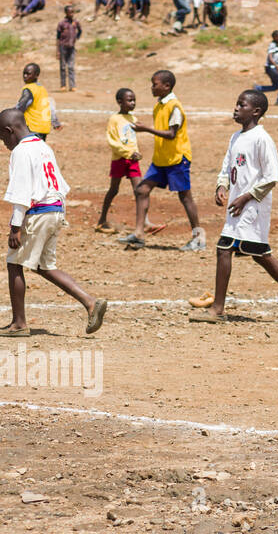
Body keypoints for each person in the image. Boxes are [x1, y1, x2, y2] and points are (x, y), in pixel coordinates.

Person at [189, 90, 278, 323]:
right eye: (236, 103)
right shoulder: (236, 136)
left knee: (226, 248)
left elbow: (271, 176)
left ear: (255, 111)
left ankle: (217, 309)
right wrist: (221, 185)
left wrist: (247, 197)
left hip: (253, 206)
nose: (236, 108)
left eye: (241, 105)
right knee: (256, 253)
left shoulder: (261, 138)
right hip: (237, 206)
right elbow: (227, 166)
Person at [0, 108, 107, 337]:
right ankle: (90, 302)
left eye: (2, 138)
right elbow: (59, 183)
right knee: (43, 266)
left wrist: (15, 228)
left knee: (14, 263)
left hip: (37, 213)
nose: (4, 144)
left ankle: (19, 324)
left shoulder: (21, 151)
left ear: (9, 131)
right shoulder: (43, 146)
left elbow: (21, 192)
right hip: (55, 209)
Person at [122, 69, 204, 251]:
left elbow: (171, 134)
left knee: (185, 196)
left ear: (166, 86)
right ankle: (139, 234)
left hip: (177, 158)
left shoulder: (174, 106)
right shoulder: (159, 105)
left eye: (155, 84)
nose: (152, 87)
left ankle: (198, 238)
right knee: (142, 190)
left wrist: (146, 130)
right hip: (161, 159)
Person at [95, 87, 162, 235]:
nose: (133, 103)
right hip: (120, 159)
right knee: (114, 190)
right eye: (129, 100)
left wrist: (135, 153)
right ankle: (102, 220)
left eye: (134, 100)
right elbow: (113, 142)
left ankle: (145, 223)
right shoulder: (114, 119)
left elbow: (132, 139)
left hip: (132, 161)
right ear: (120, 102)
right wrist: (128, 153)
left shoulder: (133, 118)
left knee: (140, 191)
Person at [17, 63, 59, 139]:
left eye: (28, 74)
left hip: (32, 128)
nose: (25, 76)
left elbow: (21, 107)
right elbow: (50, 107)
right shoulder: (42, 89)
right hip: (43, 128)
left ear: (36, 75)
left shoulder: (29, 89)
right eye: (24, 73)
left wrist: (9, 116)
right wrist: (55, 122)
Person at [255, 30, 278, 106]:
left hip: (272, 67)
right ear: (275, 37)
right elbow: (270, 57)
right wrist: (276, 66)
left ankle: (258, 88)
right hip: (271, 67)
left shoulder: (276, 45)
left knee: (276, 86)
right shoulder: (273, 45)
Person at [55, 5, 81, 91]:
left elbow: (80, 31)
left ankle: (72, 86)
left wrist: (76, 38)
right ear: (66, 13)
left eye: (73, 12)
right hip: (63, 47)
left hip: (72, 47)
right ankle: (63, 85)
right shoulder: (62, 23)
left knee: (71, 67)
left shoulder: (75, 22)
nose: (72, 14)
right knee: (62, 67)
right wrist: (57, 50)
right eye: (70, 12)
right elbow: (58, 37)